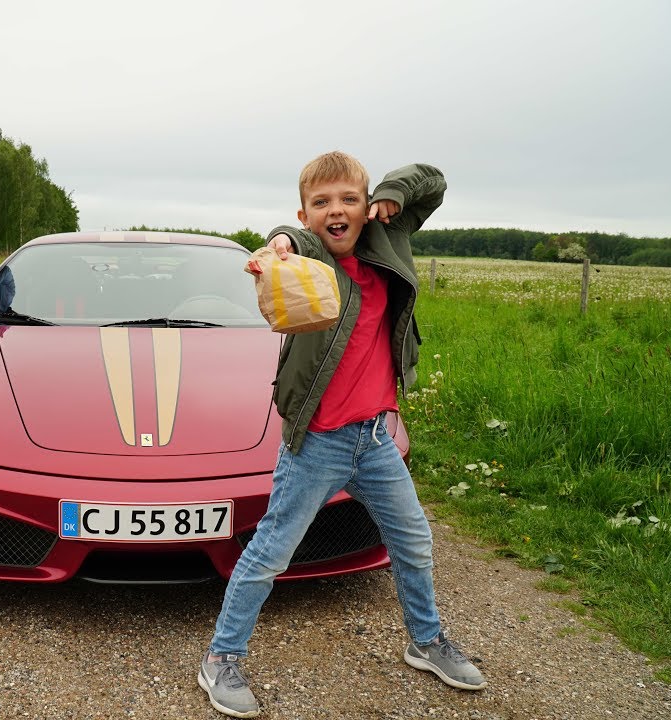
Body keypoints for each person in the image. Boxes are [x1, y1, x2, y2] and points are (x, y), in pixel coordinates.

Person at [197, 152, 487, 718]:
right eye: (321, 203)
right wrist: (279, 244)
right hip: (319, 444)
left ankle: (425, 642)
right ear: (306, 214)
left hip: (376, 440)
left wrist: (393, 194)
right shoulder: (307, 255)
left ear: (366, 206)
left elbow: (434, 181)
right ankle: (221, 658)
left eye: (348, 200)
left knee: (415, 542)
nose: (337, 211)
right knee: (269, 555)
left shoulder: (387, 235)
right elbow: (286, 239)